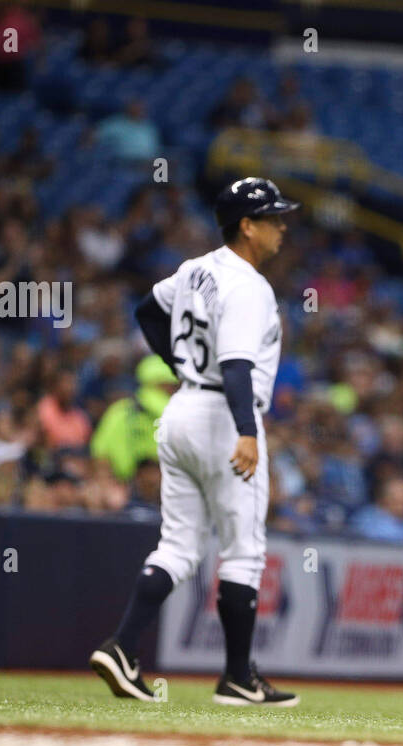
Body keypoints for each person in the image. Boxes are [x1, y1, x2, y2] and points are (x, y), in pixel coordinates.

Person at [89, 177, 301, 707]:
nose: (282, 226)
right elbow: (233, 366)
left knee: (179, 546)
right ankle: (236, 677)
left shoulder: (194, 270)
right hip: (225, 416)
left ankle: (121, 646)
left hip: (182, 408)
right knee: (244, 552)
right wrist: (247, 432)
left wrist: (180, 365)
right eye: (273, 218)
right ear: (246, 226)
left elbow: (146, 310)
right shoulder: (248, 285)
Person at [90, 353, 178, 481]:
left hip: (126, 484)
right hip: (136, 485)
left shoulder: (119, 409)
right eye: (170, 385)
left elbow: (99, 453)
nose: (172, 390)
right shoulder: (175, 411)